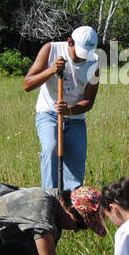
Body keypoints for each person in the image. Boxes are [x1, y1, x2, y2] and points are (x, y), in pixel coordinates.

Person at [22, 25, 100, 190]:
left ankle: (72, 204)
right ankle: (51, 198)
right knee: (51, 148)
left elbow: (89, 102)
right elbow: (27, 84)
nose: (82, 59)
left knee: (77, 156)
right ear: (69, 42)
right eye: (79, 54)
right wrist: (51, 70)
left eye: (86, 55)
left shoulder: (94, 63)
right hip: (49, 112)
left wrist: (69, 110)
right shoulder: (50, 50)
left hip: (75, 117)